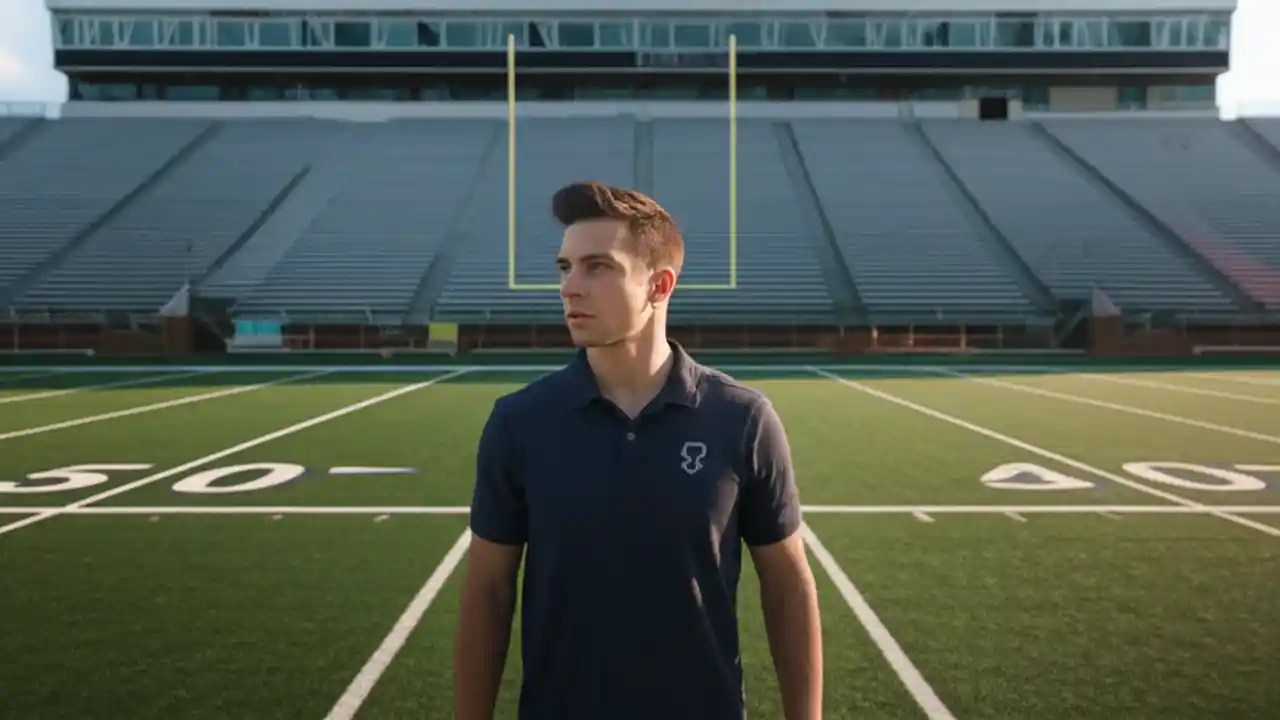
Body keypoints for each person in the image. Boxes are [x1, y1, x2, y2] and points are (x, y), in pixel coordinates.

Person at [452, 180, 823, 720]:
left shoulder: (742, 419)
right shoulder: (519, 422)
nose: (570, 287)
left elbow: (787, 582)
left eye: (597, 267)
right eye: (565, 268)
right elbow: (489, 588)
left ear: (659, 284)